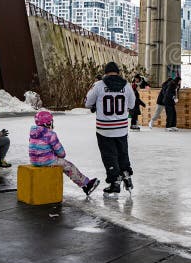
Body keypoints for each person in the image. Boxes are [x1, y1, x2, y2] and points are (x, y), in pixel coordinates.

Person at [85, 62, 136, 194]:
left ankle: (115, 181)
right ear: (118, 72)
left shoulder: (99, 85)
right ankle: (126, 175)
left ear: (106, 72)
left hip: (104, 129)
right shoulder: (127, 86)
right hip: (122, 127)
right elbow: (132, 104)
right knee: (122, 153)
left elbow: (87, 102)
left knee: (109, 155)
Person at [29, 110, 100, 196]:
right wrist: (59, 155)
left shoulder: (33, 133)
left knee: (62, 165)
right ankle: (86, 184)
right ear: (47, 123)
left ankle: (83, 185)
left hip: (34, 161)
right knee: (68, 166)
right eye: (51, 122)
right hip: (46, 161)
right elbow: (61, 153)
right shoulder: (51, 134)